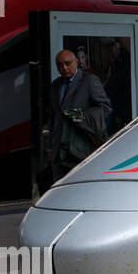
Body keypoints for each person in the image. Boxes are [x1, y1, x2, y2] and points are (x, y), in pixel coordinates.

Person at [48, 49, 112, 180]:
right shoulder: (55, 85)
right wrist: (50, 146)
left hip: (81, 149)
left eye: (67, 63)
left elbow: (105, 108)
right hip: (59, 151)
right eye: (60, 64)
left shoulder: (89, 81)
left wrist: (77, 116)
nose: (64, 67)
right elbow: (53, 117)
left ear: (76, 62)